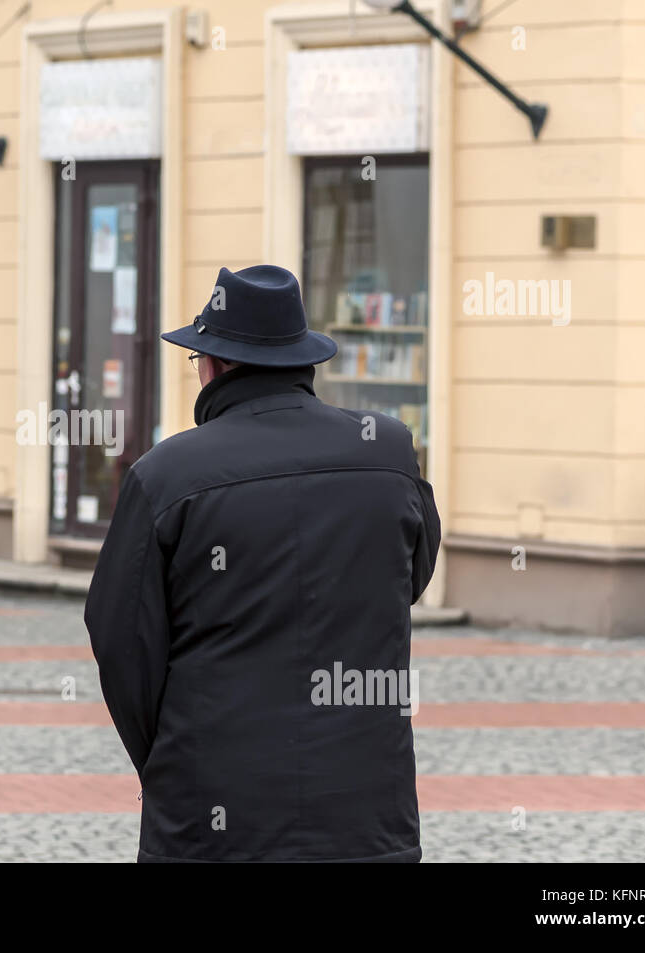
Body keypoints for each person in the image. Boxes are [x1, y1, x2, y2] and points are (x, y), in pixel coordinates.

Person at [84, 264, 441, 863]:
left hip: (216, 818)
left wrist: (176, 756)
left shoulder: (166, 474)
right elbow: (411, 578)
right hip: (365, 811)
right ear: (303, 361)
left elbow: (120, 643)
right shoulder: (389, 451)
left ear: (216, 365)